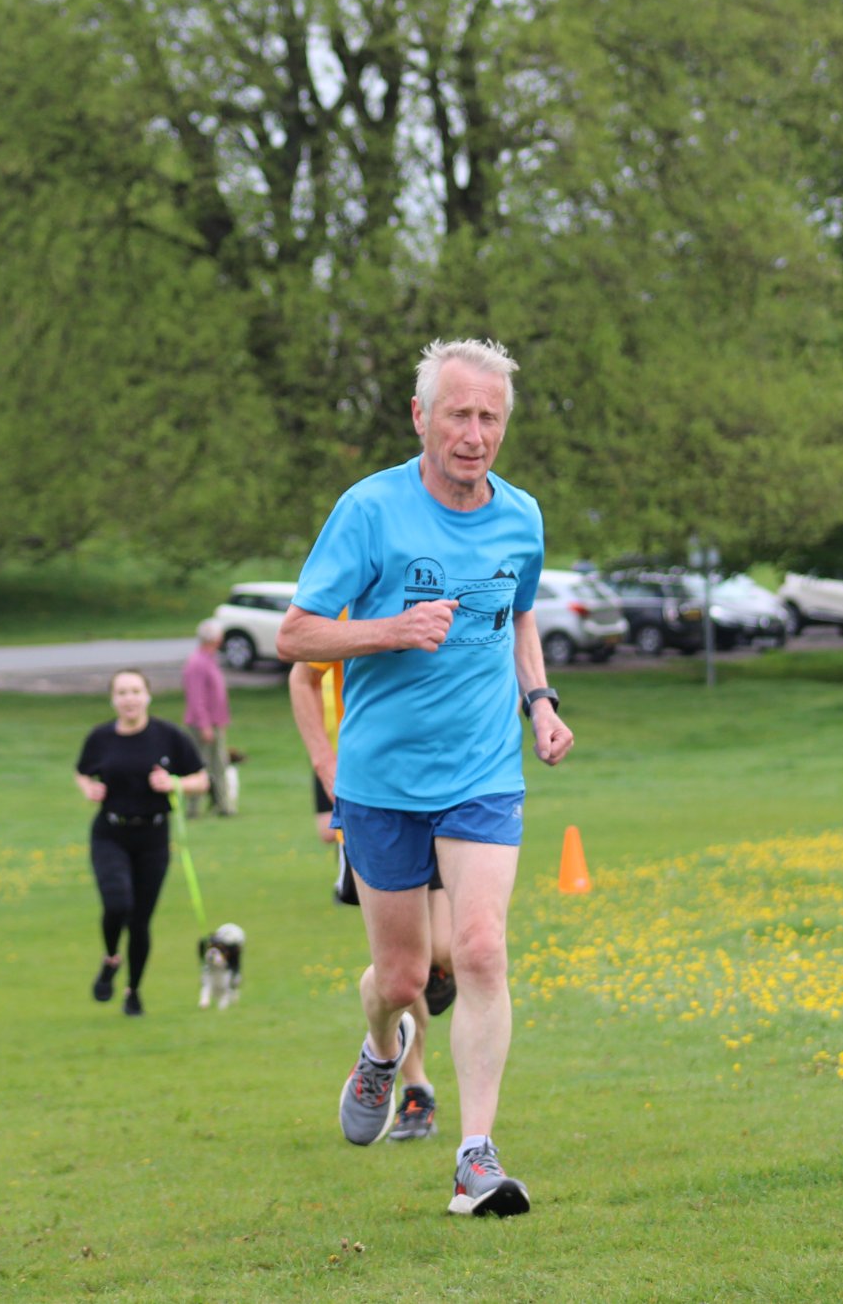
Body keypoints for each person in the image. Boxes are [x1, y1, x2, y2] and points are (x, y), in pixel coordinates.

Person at [277, 337, 574, 1217]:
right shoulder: (369, 510)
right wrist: (391, 630)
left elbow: (520, 620)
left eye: (489, 417)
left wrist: (542, 702)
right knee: (404, 978)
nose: (474, 433)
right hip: (380, 781)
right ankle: (380, 1049)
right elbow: (296, 637)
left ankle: (475, 1157)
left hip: (483, 771)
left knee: (480, 949)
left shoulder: (521, 517)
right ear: (421, 417)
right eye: (458, 413)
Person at [290, 657, 455, 1142]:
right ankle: (415, 1088)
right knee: (408, 971)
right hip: (373, 792)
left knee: (444, 952)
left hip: (445, 781)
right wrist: (325, 768)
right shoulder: (352, 599)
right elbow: (304, 673)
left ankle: (437, 981)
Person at [74, 668, 211, 1017]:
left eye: (135, 691)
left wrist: (174, 783)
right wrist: (88, 788)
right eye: (122, 692)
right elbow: (82, 772)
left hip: (153, 836)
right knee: (118, 903)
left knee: (140, 920)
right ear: (113, 699)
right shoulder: (100, 737)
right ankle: (110, 958)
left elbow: (202, 780)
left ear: (147, 696)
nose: (129, 698)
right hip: (110, 833)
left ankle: (133, 991)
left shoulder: (168, 736)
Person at [182, 619, 234, 817]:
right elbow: (196, 698)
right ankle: (193, 808)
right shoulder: (196, 663)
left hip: (215, 722)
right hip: (203, 724)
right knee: (199, 765)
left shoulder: (210, 659)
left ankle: (223, 805)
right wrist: (204, 725)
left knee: (219, 764)